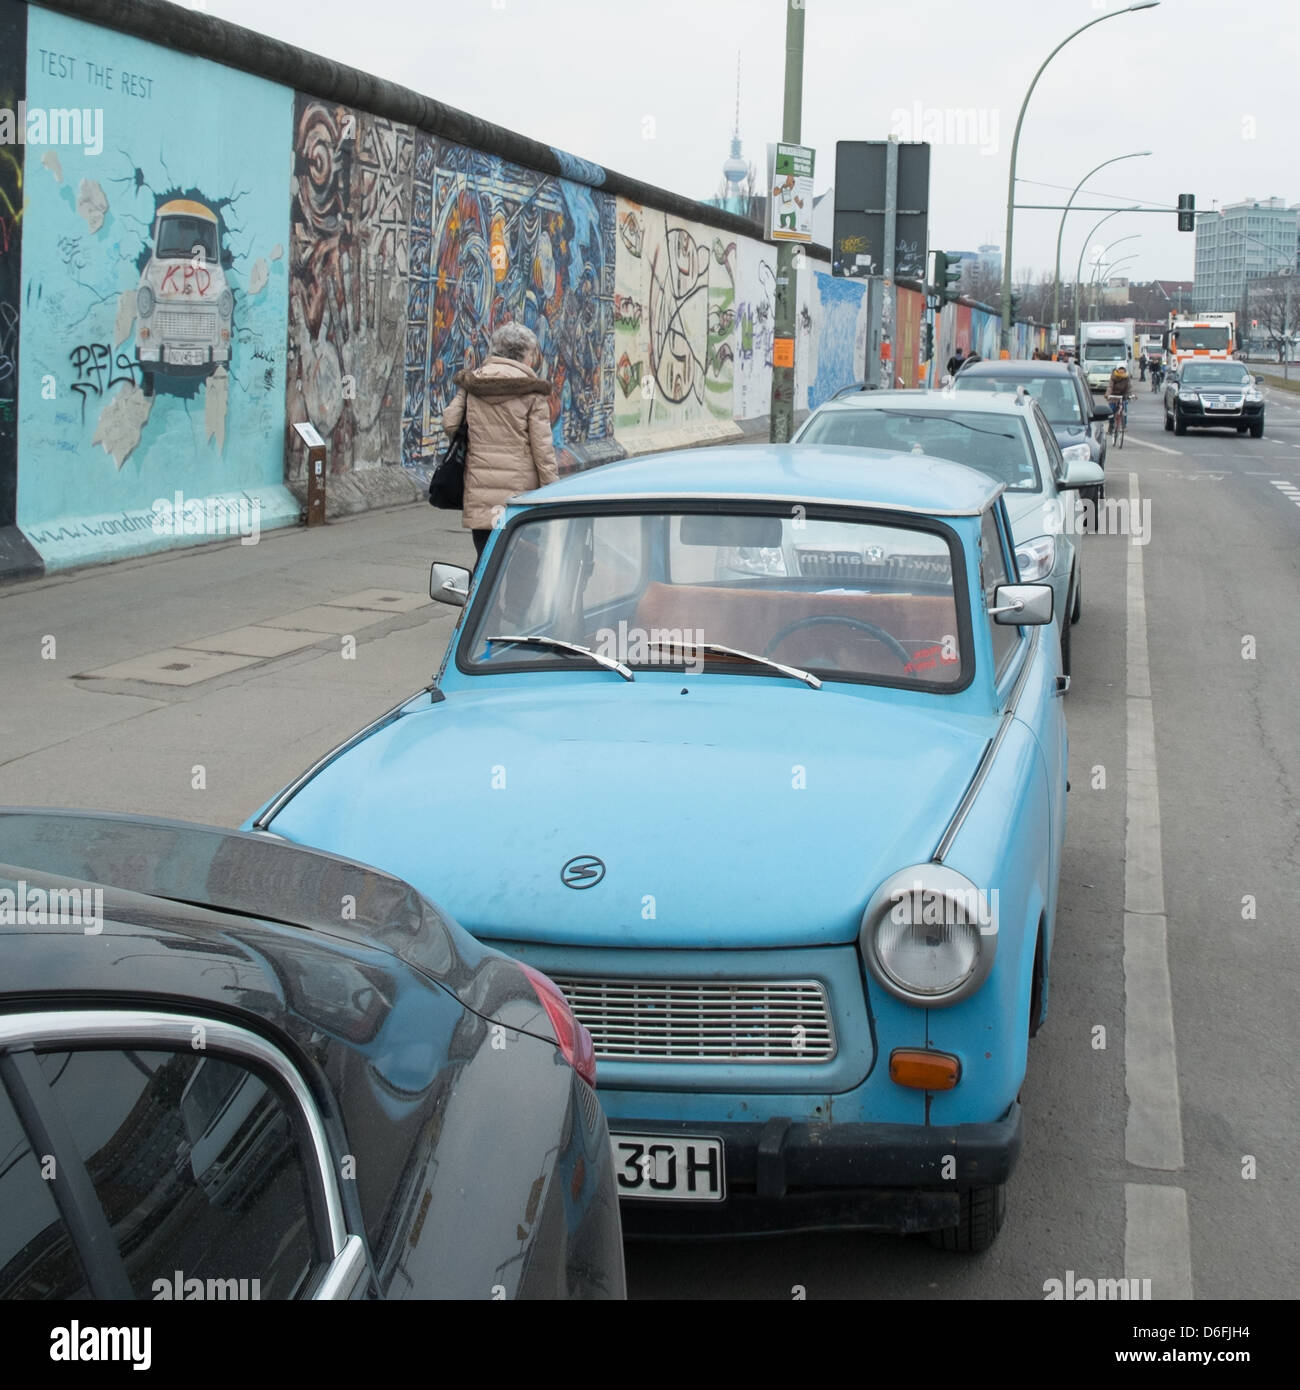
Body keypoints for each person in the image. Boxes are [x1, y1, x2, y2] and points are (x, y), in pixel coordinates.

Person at [441, 322, 558, 564]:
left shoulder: (473, 384)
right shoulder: (532, 392)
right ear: (526, 354)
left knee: (485, 564)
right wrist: (553, 493)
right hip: (520, 498)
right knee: (522, 565)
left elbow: (450, 423)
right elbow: (543, 451)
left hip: (481, 493)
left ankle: (482, 603)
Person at [1106, 361, 1132, 435]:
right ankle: (1111, 426)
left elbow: (1129, 387)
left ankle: (1124, 425)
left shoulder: (1127, 377)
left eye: (1123, 369)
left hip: (1123, 396)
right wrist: (1108, 394)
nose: (1121, 371)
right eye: (1120, 369)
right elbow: (1110, 386)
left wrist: (1129, 395)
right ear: (1117, 370)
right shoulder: (1113, 376)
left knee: (1124, 410)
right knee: (1111, 411)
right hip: (1113, 396)